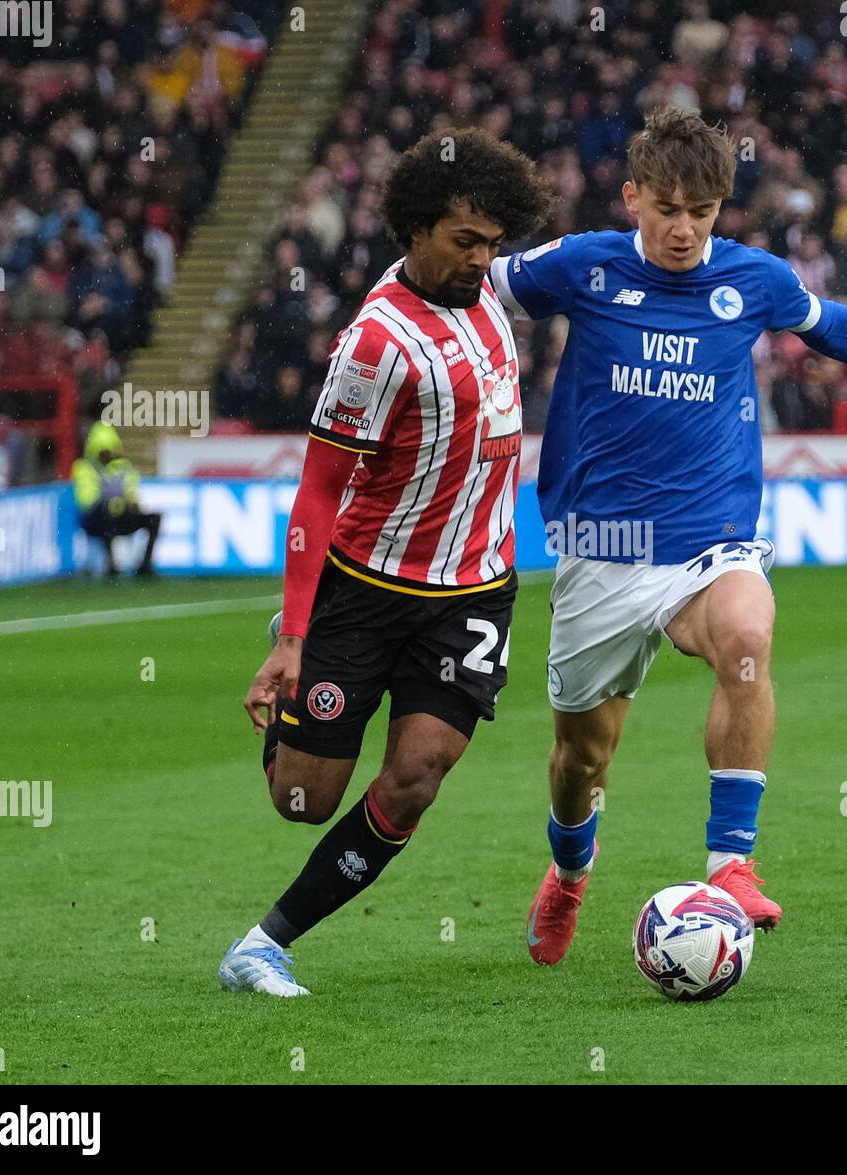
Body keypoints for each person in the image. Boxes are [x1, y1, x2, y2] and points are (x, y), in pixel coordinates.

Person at [488, 106, 847, 965]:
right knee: (581, 758)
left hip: (707, 535)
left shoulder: (752, 279)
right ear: (633, 195)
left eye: (705, 213)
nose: (685, 230)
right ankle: (570, 870)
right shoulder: (582, 266)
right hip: (599, 551)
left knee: (749, 635)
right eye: (669, 209)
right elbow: (471, 283)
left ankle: (731, 864)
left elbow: (828, 325)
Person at [218, 128, 552, 997]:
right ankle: (301, 704)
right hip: (365, 586)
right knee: (303, 802)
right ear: (415, 229)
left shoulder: (485, 303)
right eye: (465, 241)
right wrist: (294, 636)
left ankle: (263, 944)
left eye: (492, 244)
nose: (483, 261)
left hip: (472, 591)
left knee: (417, 775)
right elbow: (319, 491)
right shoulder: (377, 343)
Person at [71, 421, 161, 577]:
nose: (106, 455)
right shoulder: (84, 467)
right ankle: (111, 565)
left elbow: (132, 493)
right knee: (104, 513)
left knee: (154, 518)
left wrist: (129, 504)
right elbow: (87, 501)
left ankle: (145, 565)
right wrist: (113, 503)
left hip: (119, 517)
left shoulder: (123, 466)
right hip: (96, 520)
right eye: (103, 451)